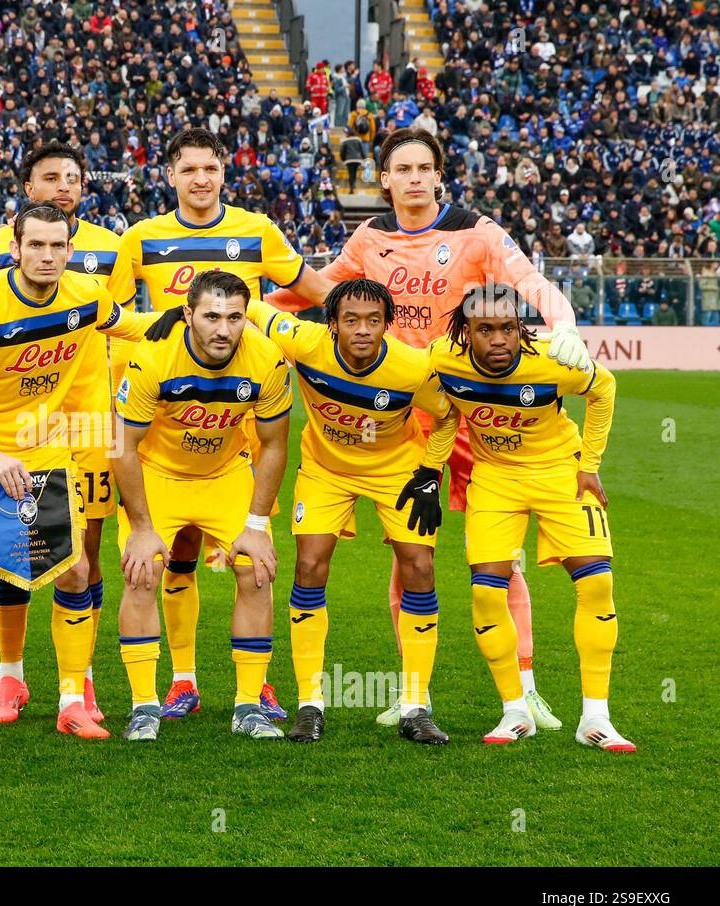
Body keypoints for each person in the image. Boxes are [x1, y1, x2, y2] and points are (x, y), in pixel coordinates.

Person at [264, 126, 592, 729]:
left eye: (424, 168)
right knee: (407, 551)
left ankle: (524, 688)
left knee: (503, 556)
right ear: (383, 179)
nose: (414, 178)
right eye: (402, 169)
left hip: (473, 407)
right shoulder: (369, 239)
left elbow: (529, 284)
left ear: (438, 174)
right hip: (398, 409)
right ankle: (411, 693)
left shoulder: (477, 231)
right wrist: (253, 316)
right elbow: (323, 292)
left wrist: (563, 322)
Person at [108, 126, 330, 719]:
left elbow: (312, 289)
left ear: (223, 173)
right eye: (189, 170)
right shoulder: (141, 237)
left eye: (211, 168)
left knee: (252, 559)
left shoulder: (257, 230)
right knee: (172, 555)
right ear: (171, 175)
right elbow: (107, 310)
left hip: (240, 415)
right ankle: (181, 680)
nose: (200, 179)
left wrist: (368, 319)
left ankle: (252, 685)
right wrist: (147, 334)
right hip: (166, 414)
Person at [0, 202, 145, 744]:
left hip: (41, 453)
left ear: (70, 250)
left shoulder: (87, 294)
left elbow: (131, 324)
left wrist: (194, 314)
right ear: (15, 249)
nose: (47, 255)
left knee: (72, 573)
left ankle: (72, 701)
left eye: (57, 246)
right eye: (36, 245)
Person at [430, 285, 633, 752]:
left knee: (597, 584)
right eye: (486, 330)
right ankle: (515, 709)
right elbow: (444, 412)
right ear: (465, 332)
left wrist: (590, 464)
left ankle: (595, 718)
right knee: (485, 592)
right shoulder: (443, 360)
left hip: (562, 472)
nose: (499, 339)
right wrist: (429, 469)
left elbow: (604, 388)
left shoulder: (552, 359)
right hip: (495, 478)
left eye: (508, 327)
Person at [258, 279, 457, 744]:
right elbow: (251, 309)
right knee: (308, 565)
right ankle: (310, 704)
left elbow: (447, 415)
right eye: (351, 320)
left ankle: (415, 705)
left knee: (420, 567)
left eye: (373, 321)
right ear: (331, 325)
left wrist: (431, 471)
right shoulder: (304, 344)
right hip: (326, 470)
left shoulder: (412, 368)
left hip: (397, 470)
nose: (362, 330)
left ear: (388, 325)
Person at [114, 271, 291, 742]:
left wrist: (255, 525)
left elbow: (274, 446)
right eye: (211, 316)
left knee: (256, 565)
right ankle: (143, 705)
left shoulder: (267, 361)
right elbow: (122, 447)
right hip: (157, 474)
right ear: (189, 314)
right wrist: (142, 526)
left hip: (224, 474)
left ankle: (248, 705)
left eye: (234, 317)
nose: (223, 329)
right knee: (143, 567)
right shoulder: (152, 357)